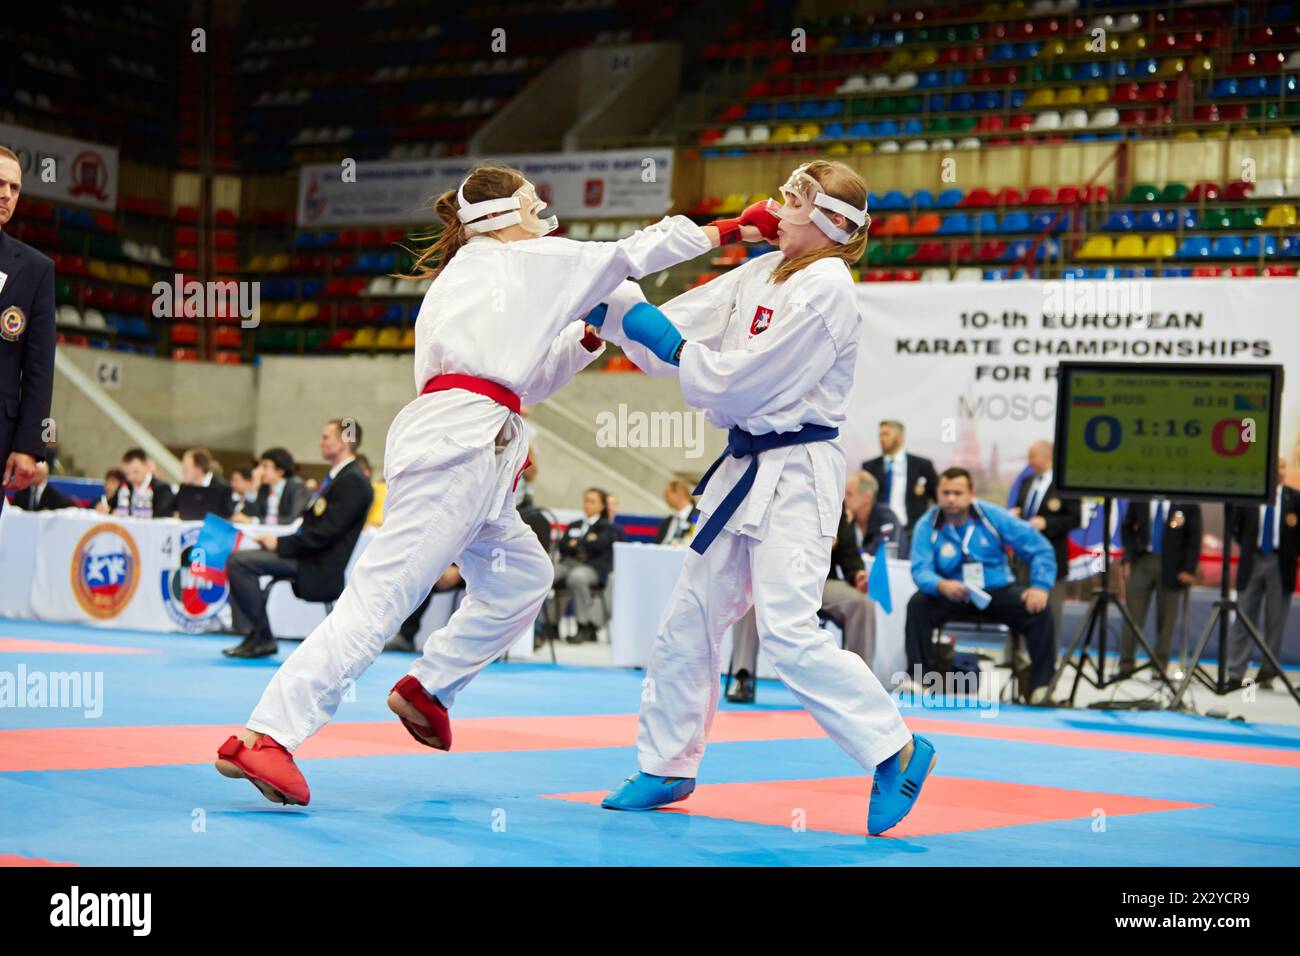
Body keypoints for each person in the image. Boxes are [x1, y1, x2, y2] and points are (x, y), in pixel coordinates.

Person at [214, 162, 751, 805]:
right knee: (382, 598)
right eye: (531, 202)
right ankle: (267, 735)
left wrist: (583, 339)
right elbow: (634, 253)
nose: (540, 212)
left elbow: (525, 379)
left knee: (521, 578)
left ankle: (428, 687)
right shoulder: (518, 262)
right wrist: (730, 229)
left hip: (475, 439)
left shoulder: (478, 274)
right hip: (458, 444)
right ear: (507, 213)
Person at [594, 159, 936, 836]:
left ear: (832, 224)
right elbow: (674, 329)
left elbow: (730, 384)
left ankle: (895, 746)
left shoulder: (828, 286)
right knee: (689, 615)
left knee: (787, 629)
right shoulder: (764, 270)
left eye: (794, 200)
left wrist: (642, 322)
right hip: (746, 468)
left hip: (799, 470)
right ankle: (668, 763)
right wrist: (607, 314)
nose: (777, 207)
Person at [905, 466, 1058, 704]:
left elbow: (1040, 548)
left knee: (1038, 610)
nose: (952, 498)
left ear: (971, 493)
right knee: (919, 604)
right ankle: (919, 679)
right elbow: (920, 569)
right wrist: (941, 585)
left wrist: (1040, 586)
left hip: (996, 592)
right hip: (953, 593)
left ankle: (1041, 686)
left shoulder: (992, 517)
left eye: (958, 492)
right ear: (937, 493)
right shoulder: (927, 524)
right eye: (946, 493)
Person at [222, 419, 373, 658]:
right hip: (307, 555)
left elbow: (326, 533)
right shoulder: (338, 477)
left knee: (239, 563)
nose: (321, 442)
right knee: (238, 559)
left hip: (318, 565)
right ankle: (258, 634)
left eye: (326, 437)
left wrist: (279, 543)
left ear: (345, 441)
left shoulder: (352, 481)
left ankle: (261, 636)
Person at [728, 495, 879, 704]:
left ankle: (859, 684)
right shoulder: (769, 494)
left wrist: (858, 574)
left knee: (862, 603)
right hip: (774, 580)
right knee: (750, 598)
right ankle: (742, 675)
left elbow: (848, 552)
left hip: (819, 582)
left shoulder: (831, 498)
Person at [0, 145, 56, 522]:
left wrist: (29, 446)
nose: (6, 194)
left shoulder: (35, 269)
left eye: (15, 188)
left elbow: (39, 366)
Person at [1227, 456, 1299, 690]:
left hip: (1280, 563)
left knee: (1275, 620)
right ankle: (1236, 672)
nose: (1278, 471)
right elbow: (1236, 529)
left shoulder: (1293, 498)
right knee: (1244, 616)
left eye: (1282, 467)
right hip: (1253, 561)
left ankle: (1267, 672)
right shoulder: (1251, 495)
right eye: (1274, 466)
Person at [1118, 496, 1202, 679]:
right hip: (1142, 561)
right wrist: (1128, 557)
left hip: (1173, 566)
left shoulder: (1187, 501)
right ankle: (1126, 664)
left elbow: (1194, 536)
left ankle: (1159, 666)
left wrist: (1189, 568)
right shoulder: (1142, 497)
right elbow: (1127, 528)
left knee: (1167, 619)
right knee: (1132, 614)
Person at [1009, 440, 1080, 648]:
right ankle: (1017, 655)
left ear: (1047, 456)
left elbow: (1075, 519)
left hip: (1052, 558)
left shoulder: (1065, 483)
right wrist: (1016, 515)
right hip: (1024, 556)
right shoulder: (1027, 481)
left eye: (1033, 456)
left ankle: (1047, 657)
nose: (1030, 461)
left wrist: (1046, 522)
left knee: (1049, 610)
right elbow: (1021, 509)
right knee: (1019, 603)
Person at [549, 487, 619, 644]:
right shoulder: (575, 524)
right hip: (568, 564)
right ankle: (548, 625)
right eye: (586, 501)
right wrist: (583, 545)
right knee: (549, 574)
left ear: (602, 506)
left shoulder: (608, 527)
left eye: (592, 502)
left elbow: (599, 546)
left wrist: (578, 545)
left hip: (592, 567)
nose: (587, 505)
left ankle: (583, 626)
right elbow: (563, 546)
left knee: (577, 578)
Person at [862, 420, 938, 559]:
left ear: (900, 437)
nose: (881, 439)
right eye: (880, 434)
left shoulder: (922, 466)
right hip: (877, 534)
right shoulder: (869, 467)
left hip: (911, 533)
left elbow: (938, 498)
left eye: (886, 434)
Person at [233, 447, 308, 525]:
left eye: (265, 466)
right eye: (259, 466)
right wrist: (253, 488)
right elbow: (248, 515)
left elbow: (292, 519)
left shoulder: (297, 488)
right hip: (263, 533)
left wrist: (255, 521)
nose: (259, 470)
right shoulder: (264, 488)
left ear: (280, 471)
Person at [97, 448, 175, 517]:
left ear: (146, 466)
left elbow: (160, 514)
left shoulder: (161, 488)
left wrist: (123, 513)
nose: (131, 477)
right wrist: (103, 507)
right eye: (127, 473)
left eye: (135, 472)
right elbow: (110, 504)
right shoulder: (126, 486)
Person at [844, 469, 899, 552]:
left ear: (867, 497)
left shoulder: (887, 518)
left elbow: (884, 550)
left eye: (849, 494)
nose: (844, 499)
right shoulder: (848, 519)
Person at [175, 447, 235, 520]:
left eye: (186, 469)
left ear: (198, 470)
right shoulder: (185, 487)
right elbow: (173, 509)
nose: (183, 472)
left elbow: (228, 516)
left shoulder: (223, 488)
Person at [653, 478, 699, 546]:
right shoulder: (667, 521)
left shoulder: (699, 517)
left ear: (678, 492)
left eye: (667, 494)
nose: (665, 498)